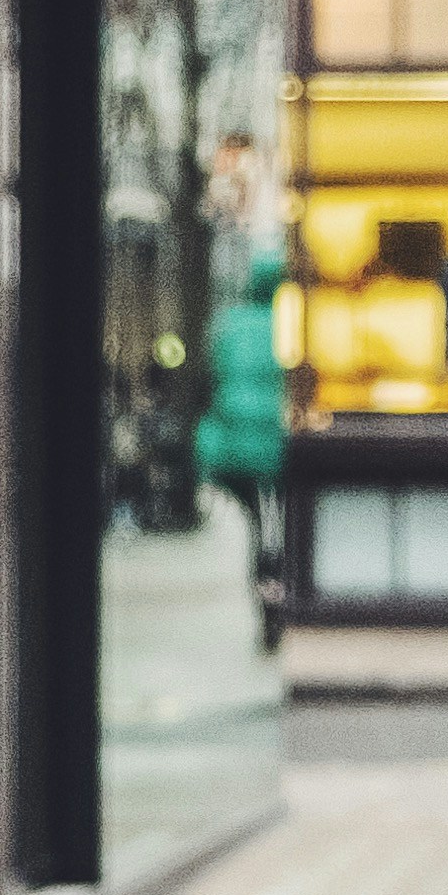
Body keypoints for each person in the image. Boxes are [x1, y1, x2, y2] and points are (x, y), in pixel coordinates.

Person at [191, 243, 293, 646]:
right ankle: (280, 593)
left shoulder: (229, 325)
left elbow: (209, 382)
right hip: (279, 449)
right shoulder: (291, 323)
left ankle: (263, 595)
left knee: (257, 527)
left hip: (237, 449)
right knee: (282, 528)